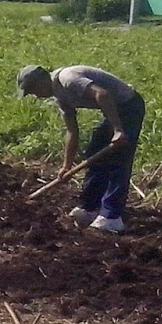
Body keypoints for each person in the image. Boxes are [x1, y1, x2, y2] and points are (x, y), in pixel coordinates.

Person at [16, 63, 145, 233]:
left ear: (41, 81)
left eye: (33, 90)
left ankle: (112, 217)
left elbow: (102, 94)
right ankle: (89, 208)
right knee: (93, 152)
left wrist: (118, 130)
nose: (37, 96)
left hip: (129, 105)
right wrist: (66, 166)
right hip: (114, 110)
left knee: (118, 160)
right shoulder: (60, 97)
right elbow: (72, 131)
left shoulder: (68, 79)